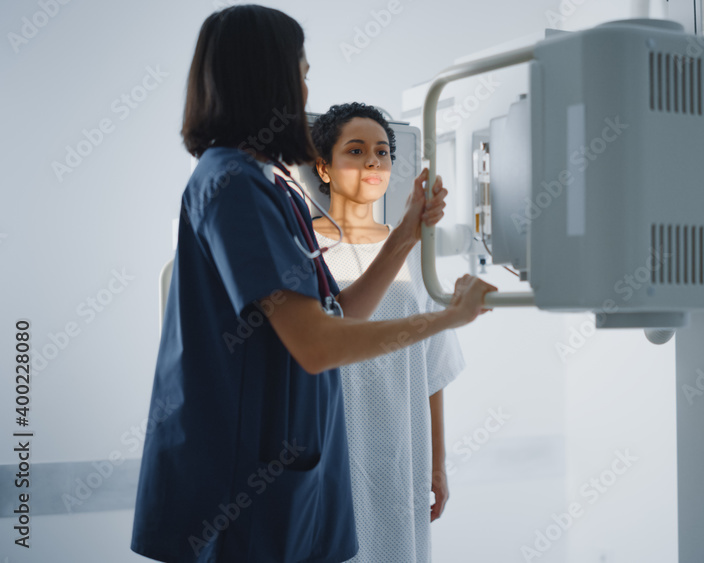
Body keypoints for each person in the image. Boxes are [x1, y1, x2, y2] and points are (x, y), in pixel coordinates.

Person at [130, 6, 495, 563]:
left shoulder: (271, 186)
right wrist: (449, 316)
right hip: (242, 491)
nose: (305, 86)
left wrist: (404, 235)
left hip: (292, 482)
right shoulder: (232, 185)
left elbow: (339, 313)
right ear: (266, 77)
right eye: (300, 71)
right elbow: (318, 344)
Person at [310, 102, 462, 562]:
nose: (372, 162)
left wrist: (437, 463)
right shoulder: (304, 249)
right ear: (324, 167)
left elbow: (432, 366)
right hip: (331, 442)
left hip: (401, 447)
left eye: (381, 152)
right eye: (355, 151)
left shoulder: (415, 251)